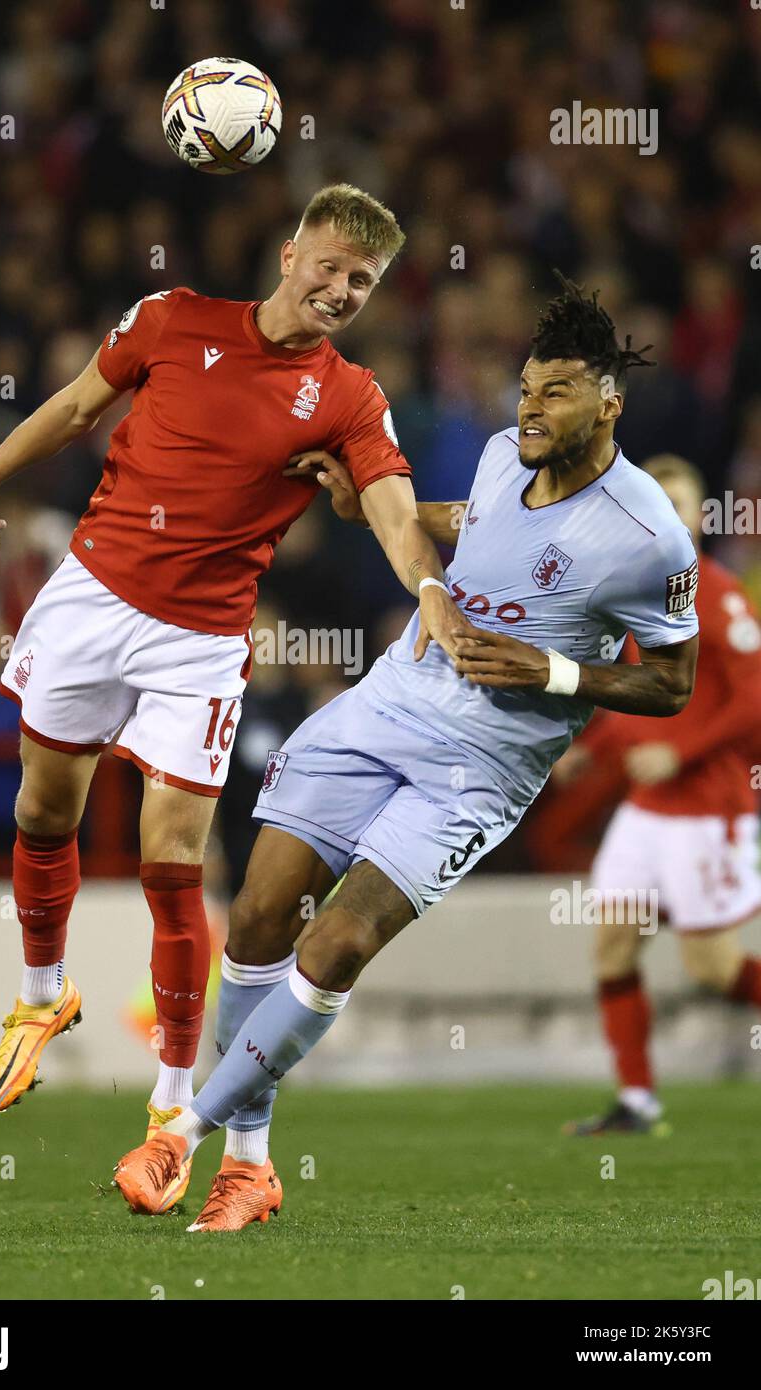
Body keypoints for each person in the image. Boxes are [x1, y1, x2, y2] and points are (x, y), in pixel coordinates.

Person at [112, 272, 701, 1230]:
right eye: (524, 388)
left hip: (483, 766)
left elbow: (673, 684)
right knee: (258, 918)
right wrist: (374, 510)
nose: (531, 408)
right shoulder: (508, 454)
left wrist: (549, 673)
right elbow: (478, 526)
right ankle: (250, 1170)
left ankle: (179, 1134)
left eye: (555, 392)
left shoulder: (650, 537)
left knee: (335, 941)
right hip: (390, 700)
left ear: (609, 401)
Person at [0, 185, 469, 1217]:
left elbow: (392, 510)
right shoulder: (172, 319)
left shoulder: (349, 397)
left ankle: (172, 1103)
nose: (340, 290)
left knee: (173, 859)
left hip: (200, 643)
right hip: (92, 595)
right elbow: (73, 406)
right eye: (328, 266)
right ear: (289, 255)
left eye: (361, 282)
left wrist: (428, 592)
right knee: (42, 812)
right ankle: (42, 998)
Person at [560, 455, 761, 1136]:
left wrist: (680, 752)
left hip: (710, 808)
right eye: (655, 503)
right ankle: (638, 1102)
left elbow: (753, 702)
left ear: (700, 517)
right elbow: (637, 699)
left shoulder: (721, 594)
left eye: (679, 504)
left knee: (713, 968)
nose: (666, 516)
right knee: (613, 946)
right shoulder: (644, 595)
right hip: (648, 814)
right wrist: (593, 752)